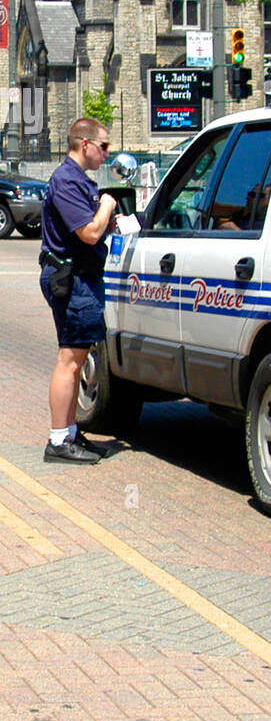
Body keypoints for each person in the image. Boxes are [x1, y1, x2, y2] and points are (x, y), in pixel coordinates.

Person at [39, 118, 117, 464]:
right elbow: (88, 233)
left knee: (78, 357)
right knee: (69, 360)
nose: (107, 152)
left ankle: (70, 432)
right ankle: (58, 440)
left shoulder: (78, 181)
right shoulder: (67, 181)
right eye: (103, 145)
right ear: (84, 144)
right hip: (71, 278)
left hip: (82, 276)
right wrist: (108, 206)